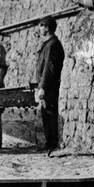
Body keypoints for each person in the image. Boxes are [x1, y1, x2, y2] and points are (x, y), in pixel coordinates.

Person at [34, 15, 65, 153]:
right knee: (46, 114)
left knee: (50, 113)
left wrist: (43, 87)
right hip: (47, 85)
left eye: (41, 26)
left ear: (47, 28)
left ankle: (51, 144)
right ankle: (49, 142)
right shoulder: (48, 44)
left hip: (50, 86)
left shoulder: (52, 45)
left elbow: (49, 68)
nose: (39, 29)